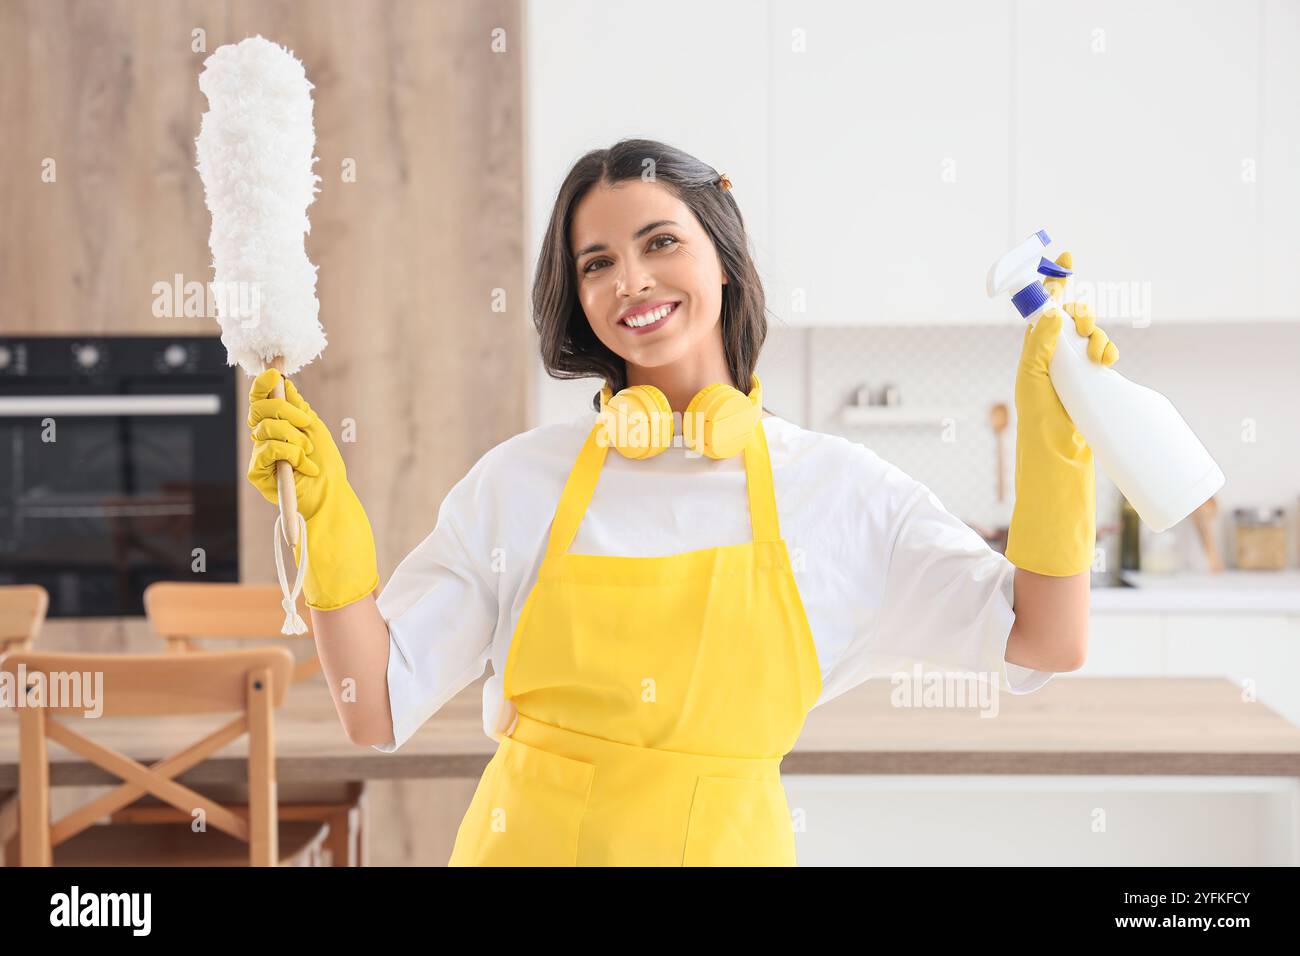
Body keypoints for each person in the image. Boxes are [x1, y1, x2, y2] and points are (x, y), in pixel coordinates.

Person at [245, 138, 1119, 866]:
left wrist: (1056, 448)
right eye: (599, 262)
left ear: (725, 262)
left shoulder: (840, 491)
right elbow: (373, 707)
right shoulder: (519, 482)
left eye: (660, 242)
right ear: (580, 300)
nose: (630, 279)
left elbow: (1048, 636)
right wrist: (327, 528)